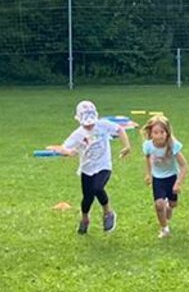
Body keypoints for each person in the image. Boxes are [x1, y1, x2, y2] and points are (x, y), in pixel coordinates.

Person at [54, 100, 131, 235]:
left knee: (97, 188)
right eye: (86, 123)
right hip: (87, 169)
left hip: (104, 166)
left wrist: (126, 146)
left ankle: (108, 213)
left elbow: (119, 129)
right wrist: (68, 152)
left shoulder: (103, 125)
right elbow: (65, 147)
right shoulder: (78, 134)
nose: (89, 125)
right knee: (87, 198)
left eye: (91, 122)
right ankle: (84, 219)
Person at [140, 115, 188, 238]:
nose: (159, 135)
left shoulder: (173, 146)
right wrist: (148, 174)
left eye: (162, 132)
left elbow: (184, 166)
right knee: (159, 204)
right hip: (158, 179)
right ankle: (164, 228)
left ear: (167, 133)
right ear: (151, 133)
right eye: (156, 132)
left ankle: (169, 206)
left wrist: (178, 183)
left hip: (172, 177)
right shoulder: (148, 145)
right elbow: (147, 158)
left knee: (172, 204)